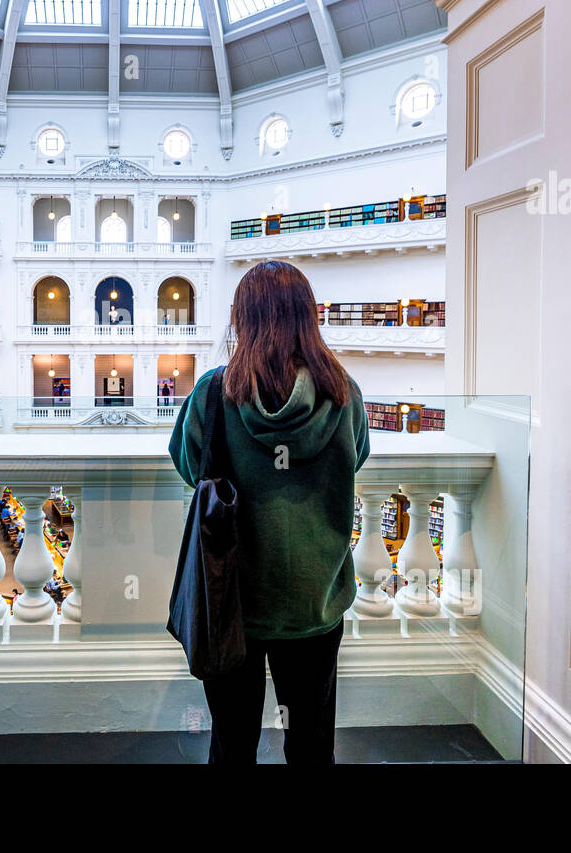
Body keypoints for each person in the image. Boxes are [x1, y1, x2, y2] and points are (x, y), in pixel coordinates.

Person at [169, 260, 370, 765]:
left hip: (232, 599)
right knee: (311, 738)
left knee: (232, 742)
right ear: (308, 317)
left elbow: (191, 465)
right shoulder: (344, 395)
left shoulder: (215, 392)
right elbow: (357, 457)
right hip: (315, 599)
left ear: (243, 319)